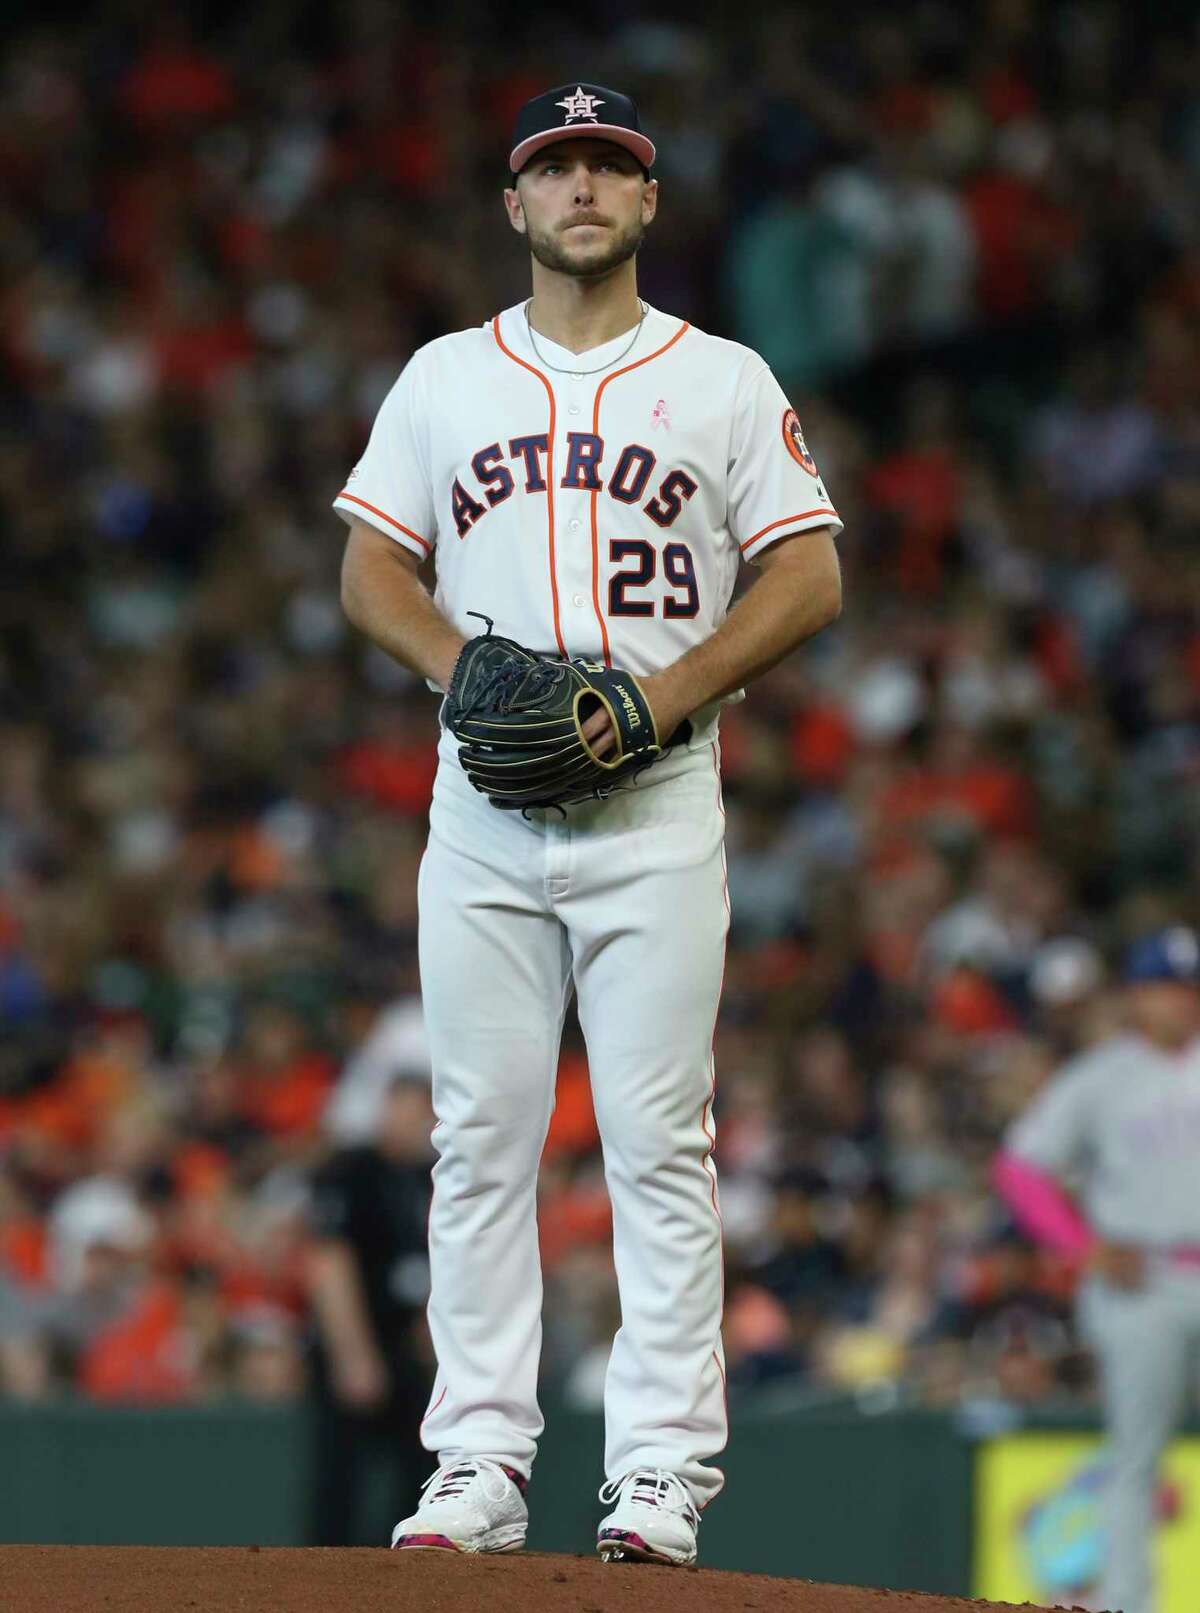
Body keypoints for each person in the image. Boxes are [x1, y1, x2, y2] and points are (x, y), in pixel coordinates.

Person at [336, 81, 843, 1566]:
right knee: (480, 1134)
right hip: (484, 808)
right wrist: (463, 669)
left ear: (648, 201)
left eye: (607, 166)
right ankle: (480, 1465)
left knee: (656, 1143)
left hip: (656, 797)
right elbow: (371, 573)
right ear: (513, 204)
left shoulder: (727, 379)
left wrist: (665, 693)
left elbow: (808, 575)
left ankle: (659, 1477)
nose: (580, 187)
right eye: (554, 166)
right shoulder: (444, 378)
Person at [993, 926, 1200, 1613]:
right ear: (1137, 995)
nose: (1178, 999)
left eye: (1186, 985)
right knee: (1135, 1453)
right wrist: (1081, 1247)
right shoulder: (1103, 1076)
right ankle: (1127, 1603)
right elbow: (1020, 1168)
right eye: (1163, 984)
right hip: (1141, 1281)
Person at [306, 1075, 435, 1546]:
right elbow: (329, 1262)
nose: (405, 1120)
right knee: (341, 1476)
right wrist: (353, 1354)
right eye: (397, 1107)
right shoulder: (352, 1171)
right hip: (359, 1339)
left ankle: (403, 1578)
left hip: (409, 1348)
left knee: (420, 1473)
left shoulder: (430, 1175)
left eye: (417, 1110)